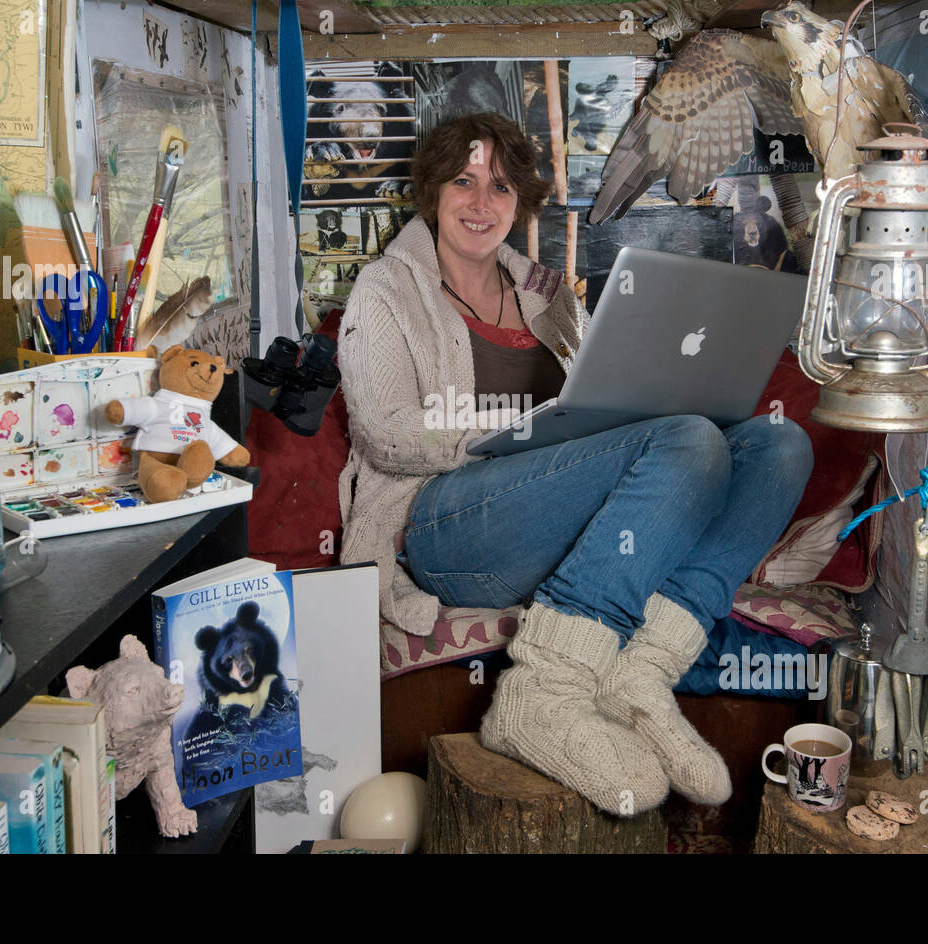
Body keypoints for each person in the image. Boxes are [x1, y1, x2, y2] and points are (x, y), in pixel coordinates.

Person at [337, 112, 814, 816]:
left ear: (520, 200)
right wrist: (519, 431)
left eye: (499, 186)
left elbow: (599, 403)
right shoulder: (386, 291)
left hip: (549, 521)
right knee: (685, 441)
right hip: (440, 525)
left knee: (776, 446)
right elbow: (385, 432)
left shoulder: (549, 296)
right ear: (432, 190)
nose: (480, 203)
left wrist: (640, 404)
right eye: (463, 182)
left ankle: (641, 672)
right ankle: (541, 696)